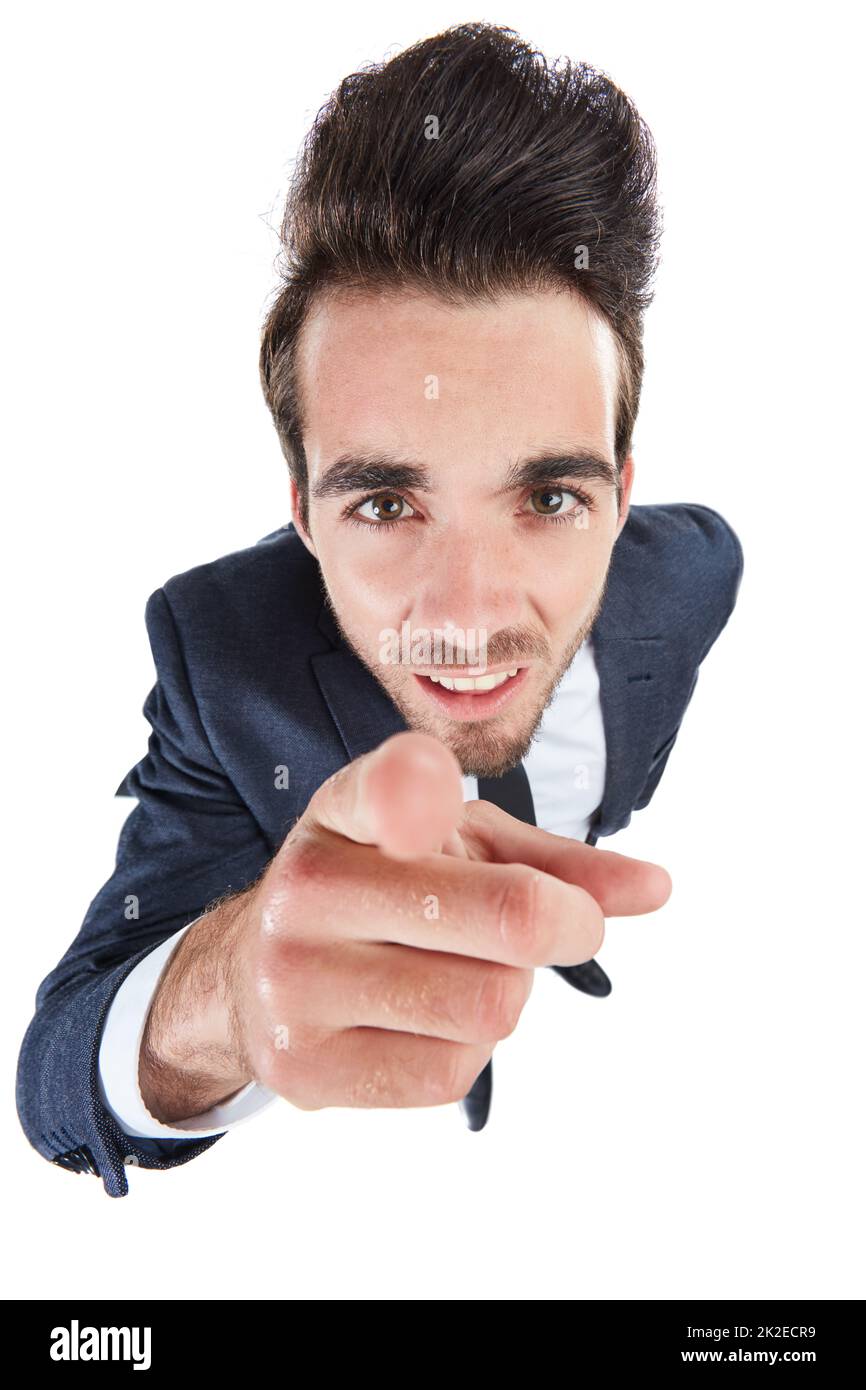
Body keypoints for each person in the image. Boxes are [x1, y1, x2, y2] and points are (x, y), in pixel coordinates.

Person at [16, 22, 743, 1197]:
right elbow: (57, 1072)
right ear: (300, 507)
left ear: (622, 493)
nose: (464, 614)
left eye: (549, 494)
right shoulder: (224, 659)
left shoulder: (695, 568)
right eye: (387, 502)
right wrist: (229, 988)